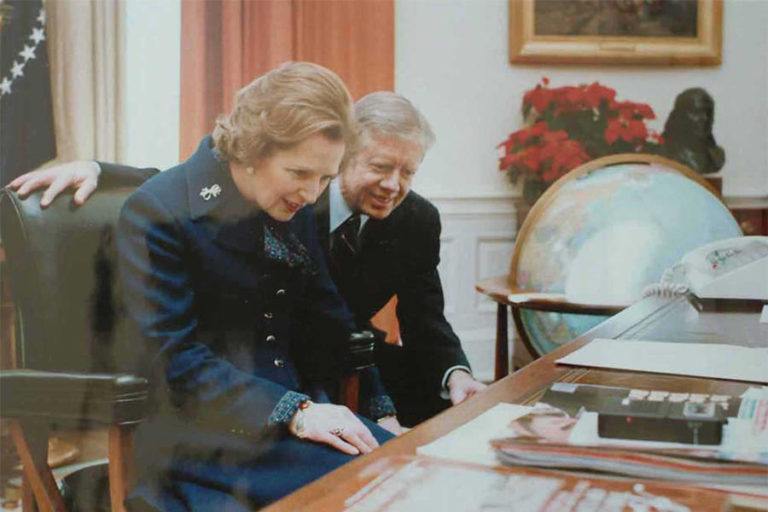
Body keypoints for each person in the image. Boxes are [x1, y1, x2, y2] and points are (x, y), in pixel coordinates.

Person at [9, 92, 487, 427]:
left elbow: (425, 316)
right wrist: (99, 169)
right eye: (382, 167)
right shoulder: (288, 192)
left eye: (409, 172)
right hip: (261, 363)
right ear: (344, 154)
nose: (394, 185)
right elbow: (192, 185)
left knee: (448, 423)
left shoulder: (416, 218)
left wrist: (457, 375)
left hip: (344, 351)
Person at [98, 62, 393, 511]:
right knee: (368, 492)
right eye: (299, 173)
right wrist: (295, 411)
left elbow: (332, 319)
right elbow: (174, 362)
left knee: (402, 468)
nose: (313, 194)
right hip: (198, 439)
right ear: (252, 151)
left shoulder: (292, 203)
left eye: (325, 179)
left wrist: (381, 410)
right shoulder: (157, 212)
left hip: (294, 422)